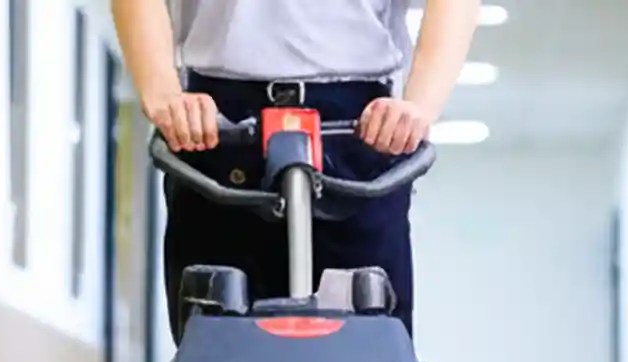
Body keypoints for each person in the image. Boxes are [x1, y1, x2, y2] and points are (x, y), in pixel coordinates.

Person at [112, 0, 481, 340]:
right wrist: (161, 90)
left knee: (372, 354)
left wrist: (420, 106)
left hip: (360, 123)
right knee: (214, 352)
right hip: (218, 119)